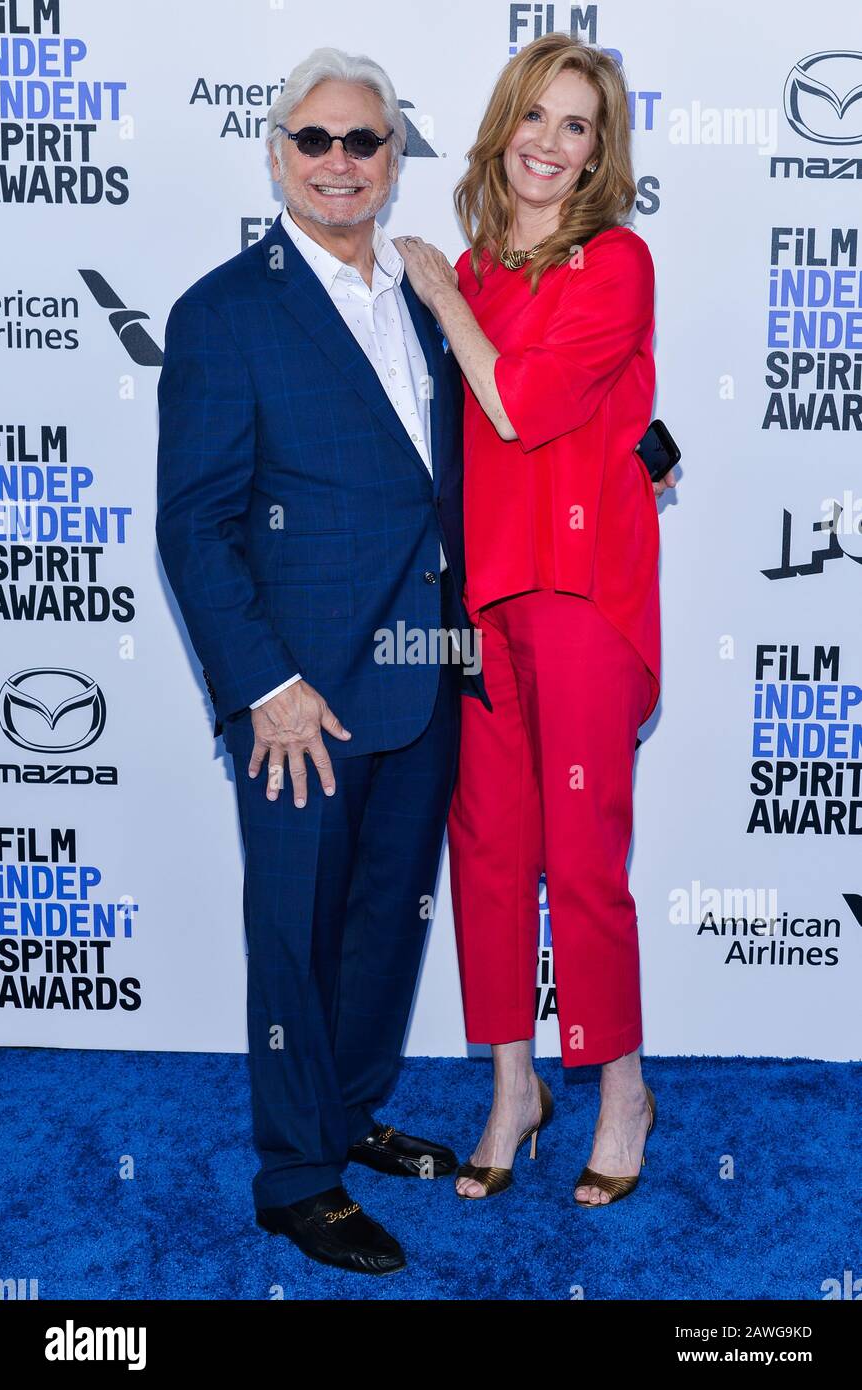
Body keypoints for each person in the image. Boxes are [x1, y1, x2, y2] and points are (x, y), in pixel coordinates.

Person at [156, 45, 487, 1274]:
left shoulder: (425, 293)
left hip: (425, 669)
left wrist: (642, 455)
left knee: (386, 924)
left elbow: (513, 427)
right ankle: (296, 1178)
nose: (340, 161)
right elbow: (194, 520)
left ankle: (346, 1114)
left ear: (396, 159)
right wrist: (262, 686)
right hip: (297, 695)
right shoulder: (224, 310)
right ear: (278, 153)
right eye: (316, 140)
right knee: (295, 930)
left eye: (365, 141)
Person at [397, 33, 676, 1206]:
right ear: (505, 124)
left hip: (580, 596)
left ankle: (622, 1088)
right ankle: (513, 1083)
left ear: (601, 152)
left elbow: (517, 404)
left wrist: (444, 296)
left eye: (579, 127)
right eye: (537, 118)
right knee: (492, 851)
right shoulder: (479, 268)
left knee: (582, 857)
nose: (552, 144)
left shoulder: (614, 262)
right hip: (481, 598)